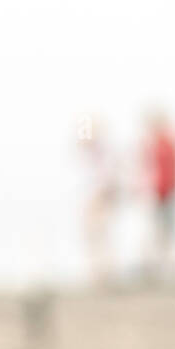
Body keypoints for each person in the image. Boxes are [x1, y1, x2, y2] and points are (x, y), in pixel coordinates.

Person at [142, 113, 175, 277]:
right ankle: (158, 266)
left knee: (166, 231)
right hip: (158, 194)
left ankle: (168, 267)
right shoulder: (154, 144)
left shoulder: (168, 144)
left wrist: (168, 190)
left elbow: (174, 171)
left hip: (166, 195)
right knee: (159, 230)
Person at [79, 120, 118, 285]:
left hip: (99, 200)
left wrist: (99, 199)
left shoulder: (101, 154)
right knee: (95, 237)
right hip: (95, 200)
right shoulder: (92, 155)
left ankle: (103, 275)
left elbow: (107, 181)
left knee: (99, 236)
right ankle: (98, 274)